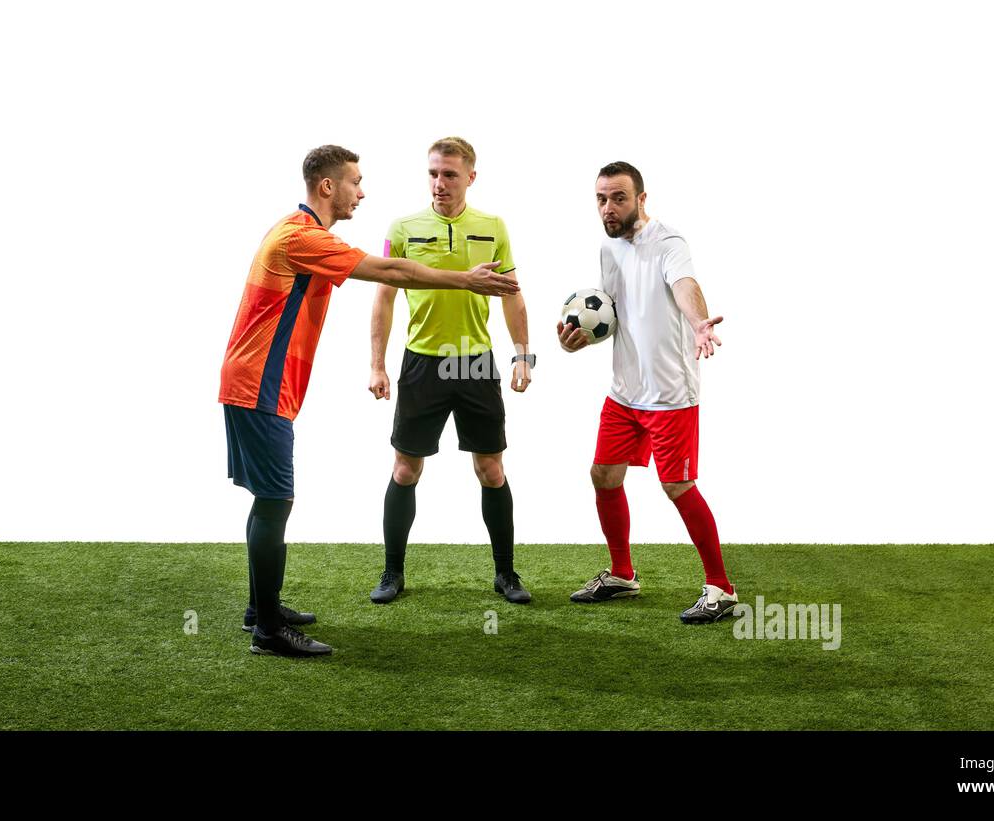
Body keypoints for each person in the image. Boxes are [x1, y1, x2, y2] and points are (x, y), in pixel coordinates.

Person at [219, 145, 519, 657]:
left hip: (258, 383)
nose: (363, 191)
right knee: (275, 501)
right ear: (328, 186)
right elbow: (393, 274)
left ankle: (260, 607)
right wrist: (465, 281)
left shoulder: (302, 232)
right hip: (259, 387)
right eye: (356, 181)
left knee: (268, 501)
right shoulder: (303, 237)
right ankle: (268, 629)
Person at [558, 161, 737, 623]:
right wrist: (575, 337)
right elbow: (611, 311)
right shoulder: (607, 247)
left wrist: (699, 321)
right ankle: (622, 574)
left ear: (641, 198)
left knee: (677, 485)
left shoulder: (669, 243)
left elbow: (685, 285)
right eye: (601, 198)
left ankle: (721, 588)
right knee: (603, 476)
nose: (608, 207)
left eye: (618, 197)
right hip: (624, 392)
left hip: (668, 394)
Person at [365, 137, 532, 605]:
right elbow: (383, 296)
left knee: (492, 470)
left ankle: (506, 574)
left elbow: (512, 292)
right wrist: (377, 364)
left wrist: (523, 354)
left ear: (470, 177)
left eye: (450, 174)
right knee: (404, 470)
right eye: (434, 173)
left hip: (476, 360)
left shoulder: (493, 225)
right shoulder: (403, 227)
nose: (440, 183)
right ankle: (392, 573)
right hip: (421, 361)